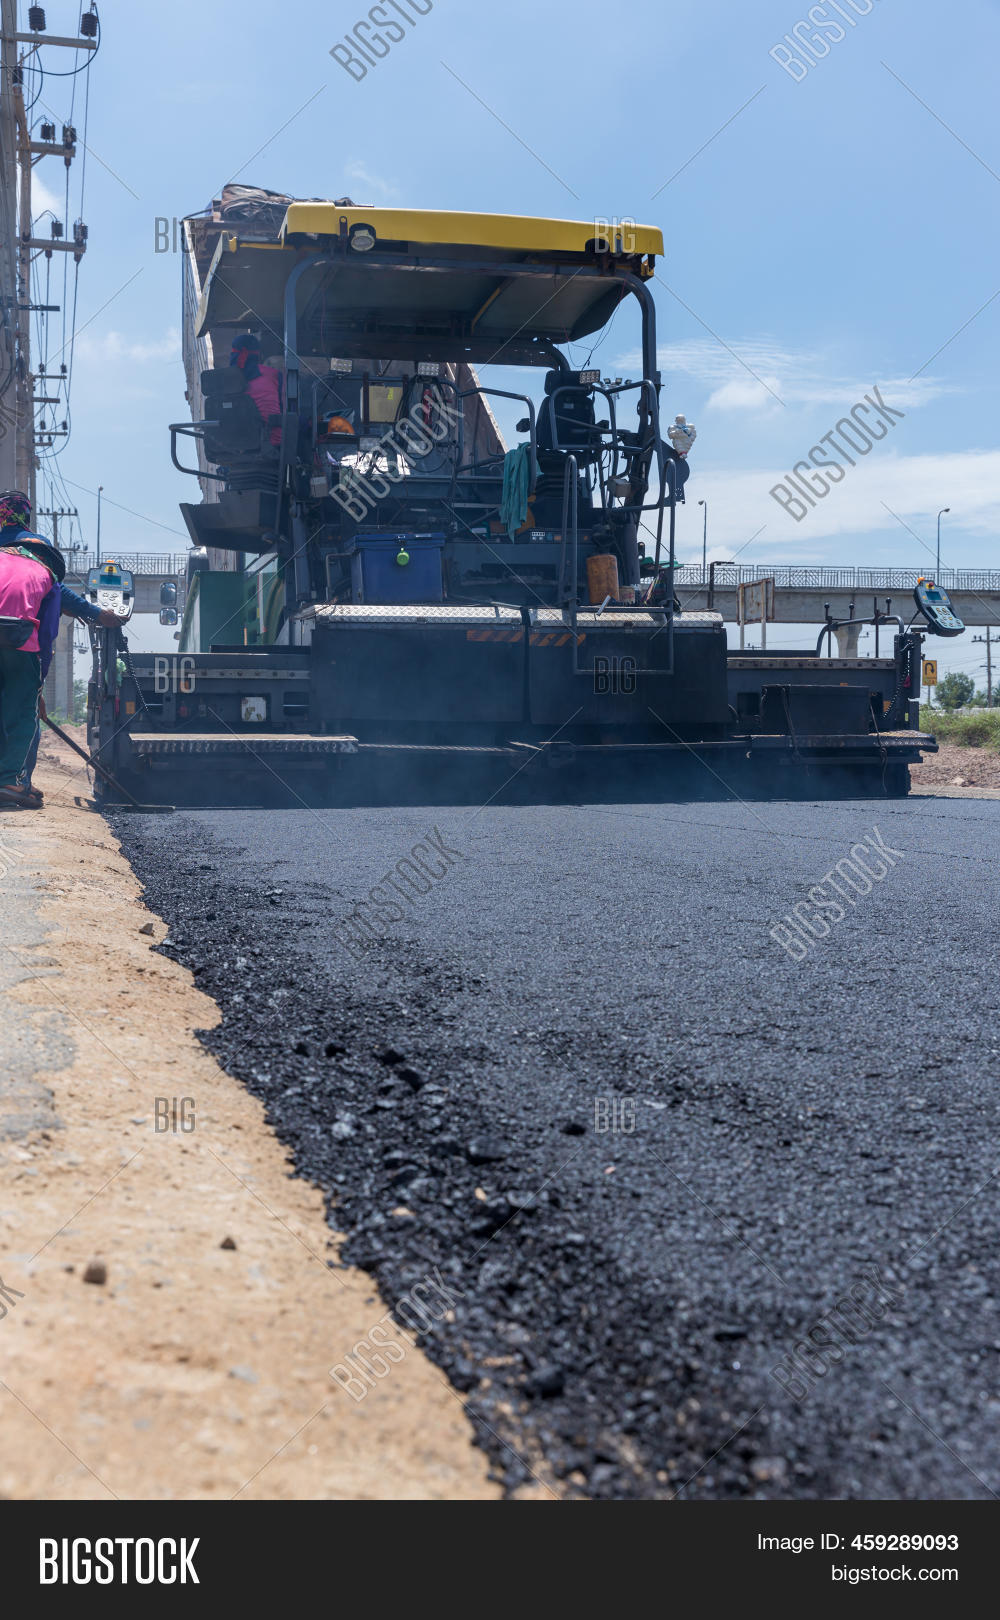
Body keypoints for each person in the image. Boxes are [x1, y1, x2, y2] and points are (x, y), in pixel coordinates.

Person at [0, 491, 64, 809]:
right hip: (22, 644)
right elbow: (49, 633)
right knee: (22, 715)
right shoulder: (45, 572)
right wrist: (39, 685)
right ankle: (11, 780)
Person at [230, 332, 283, 446]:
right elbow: (287, 408)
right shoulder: (273, 375)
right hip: (273, 445)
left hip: (234, 447)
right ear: (258, 354)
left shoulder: (224, 379)